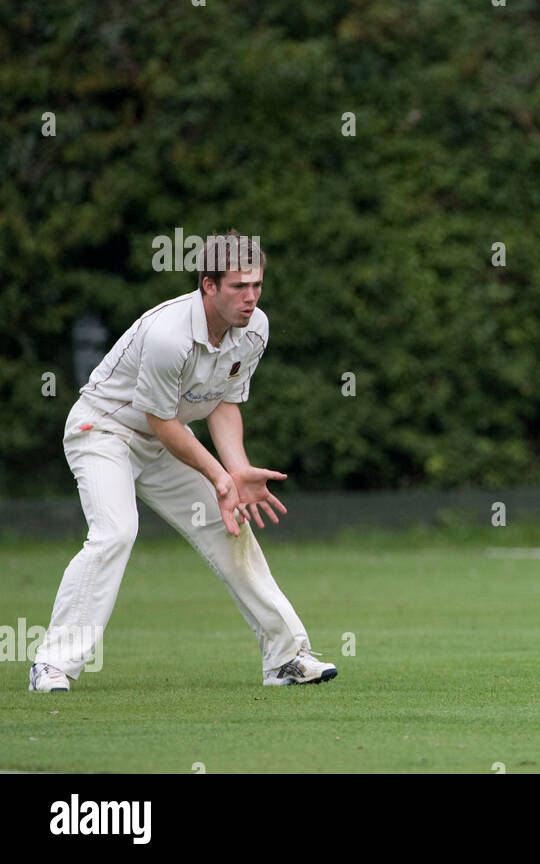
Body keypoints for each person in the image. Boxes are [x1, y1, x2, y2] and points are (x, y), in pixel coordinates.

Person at [28, 231, 337, 691]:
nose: (250, 298)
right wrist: (218, 474)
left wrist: (237, 471)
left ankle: (285, 659)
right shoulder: (169, 335)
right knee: (116, 532)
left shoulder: (255, 329)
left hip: (161, 441)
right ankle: (52, 664)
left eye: (256, 285)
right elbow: (162, 421)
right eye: (238, 286)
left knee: (229, 528)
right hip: (104, 432)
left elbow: (223, 402)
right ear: (208, 285)